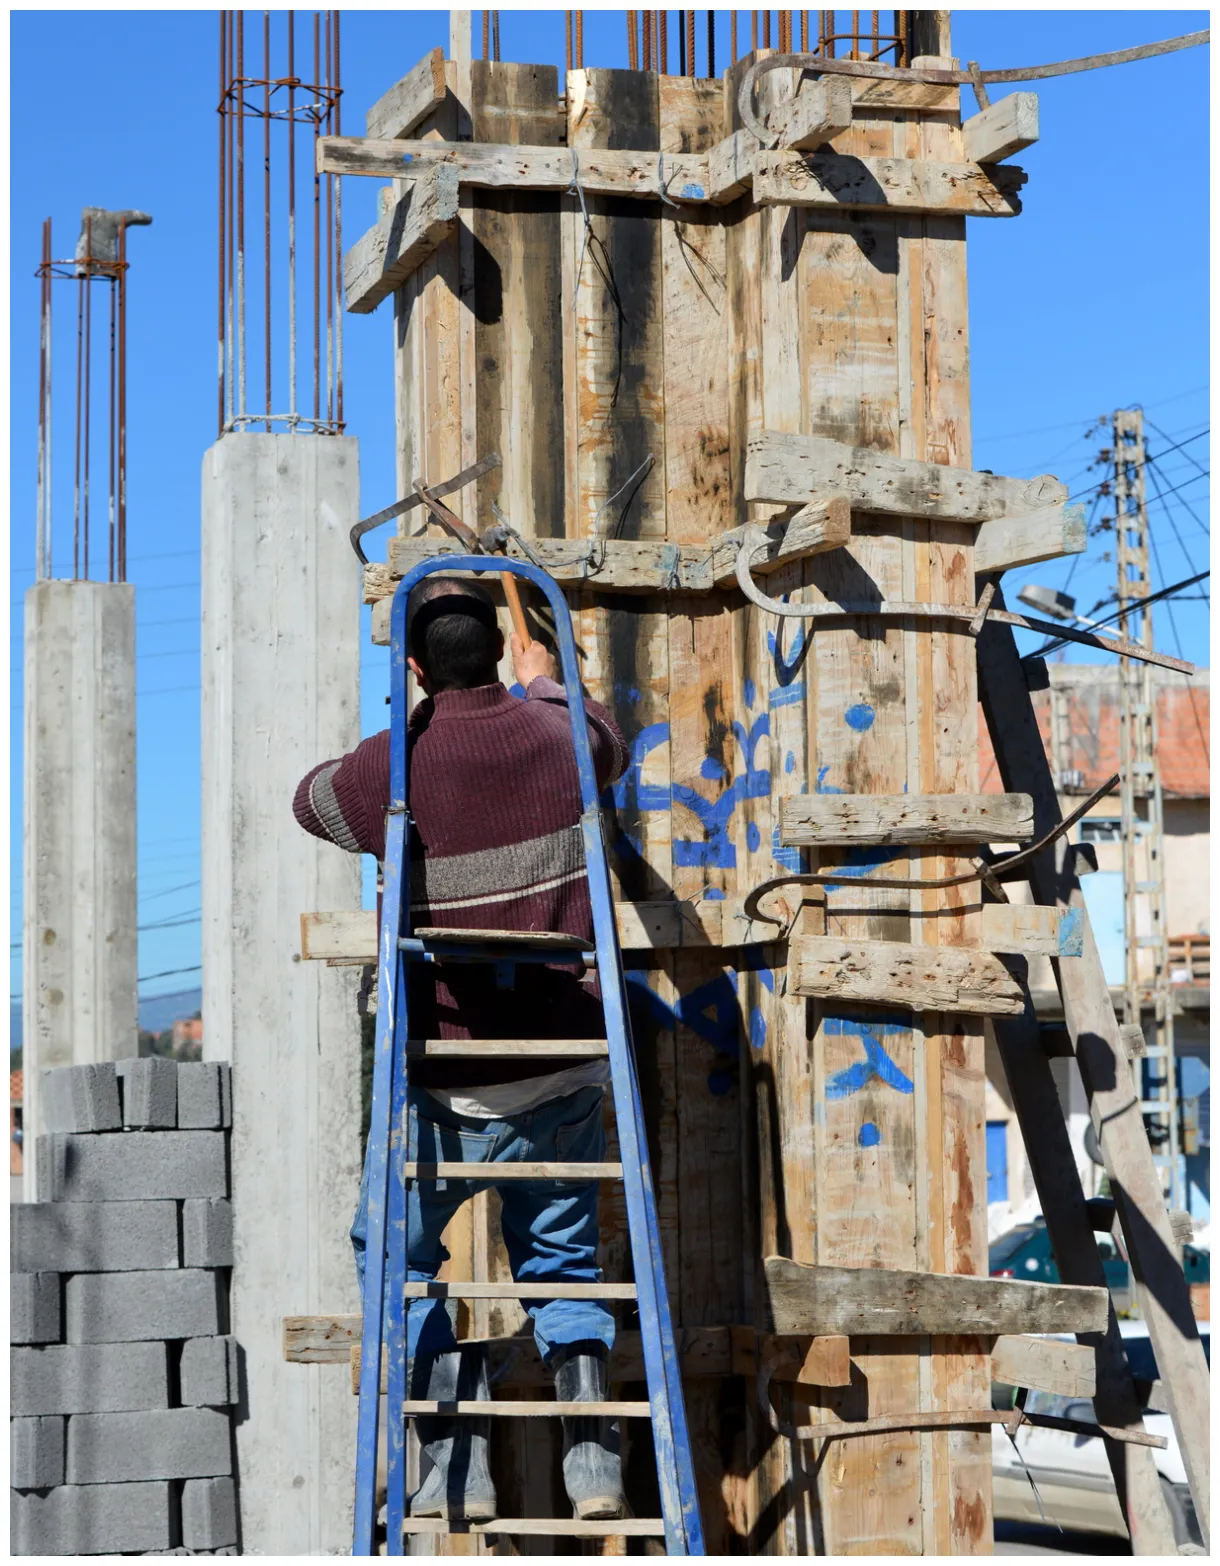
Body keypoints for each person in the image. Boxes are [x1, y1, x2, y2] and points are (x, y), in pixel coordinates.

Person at [293, 575, 630, 1523]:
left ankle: (455, 1439)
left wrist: (401, 723)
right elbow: (607, 738)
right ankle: (592, 1455)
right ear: (499, 653)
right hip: (562, 1069)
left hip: (444, 1085)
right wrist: (546, 684)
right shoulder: (559, 736)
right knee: (562, 1265)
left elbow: (308, 803)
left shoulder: (396, 766)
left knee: (388, 1260)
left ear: (413, 667)